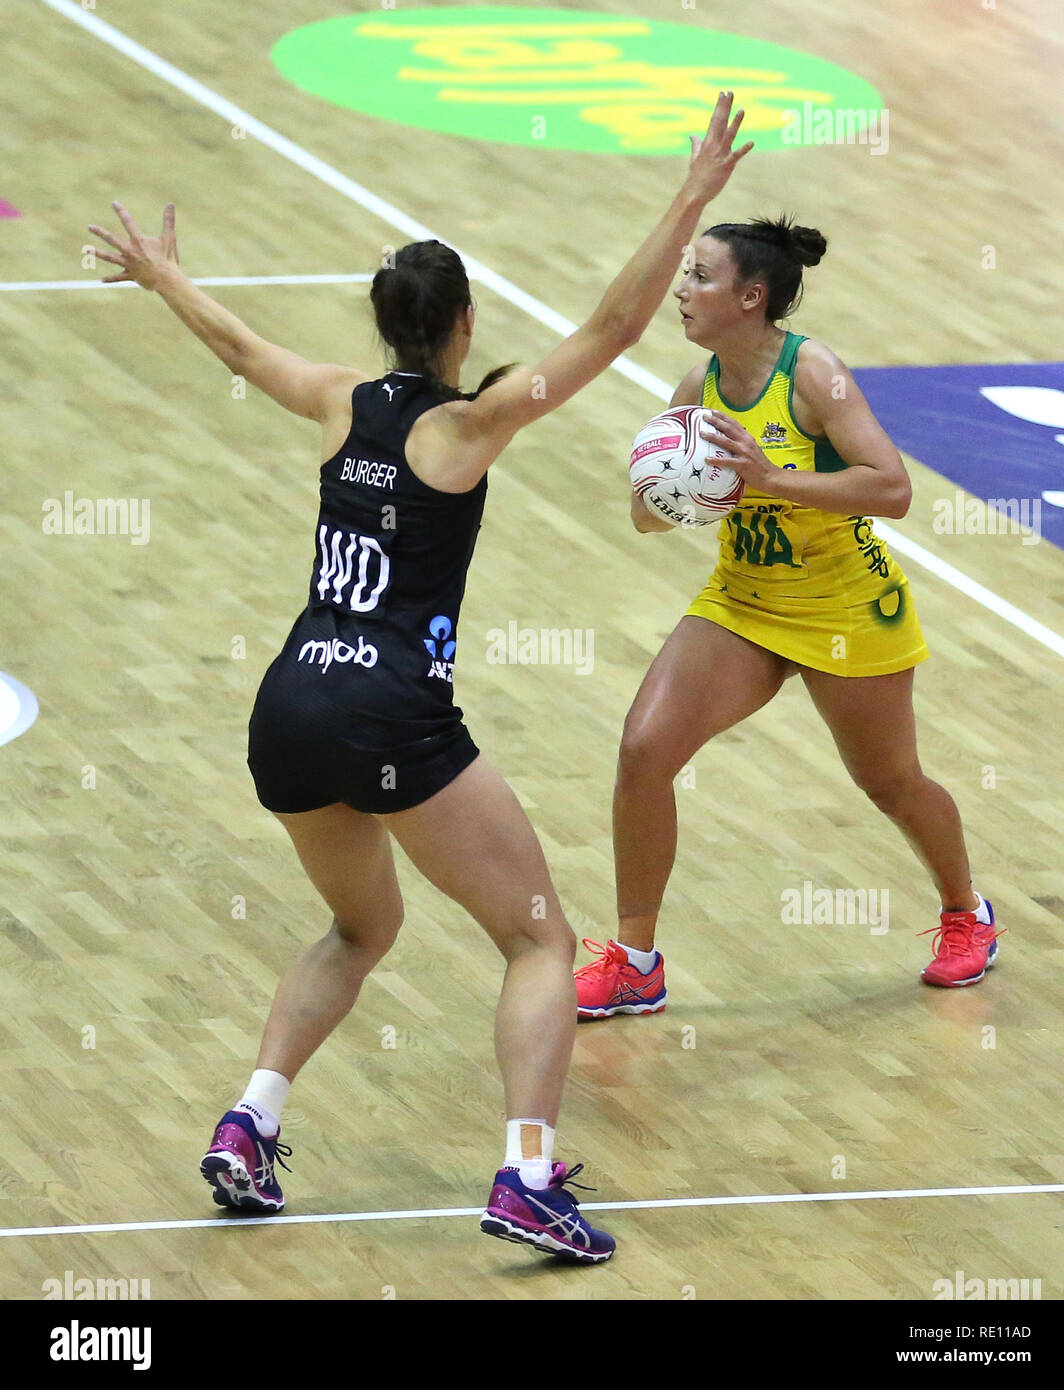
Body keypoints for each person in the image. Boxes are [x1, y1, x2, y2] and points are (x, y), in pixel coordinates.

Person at [86, 92, 753, 1263]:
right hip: (388, 709)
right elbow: (606, 330)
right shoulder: (467, 426)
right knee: (540, 938)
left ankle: (252, 1120)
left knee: (359, 925)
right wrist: (689, 195)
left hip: (289, 701)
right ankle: (528, 1175)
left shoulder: (346, 399)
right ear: (462, 324)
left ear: (389, 324)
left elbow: (243, 349)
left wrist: (163, 278)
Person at [574, 215, 1002, 1021]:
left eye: (699, 276)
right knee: (642, 748)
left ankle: (965, 914)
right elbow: (645, 518)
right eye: (686, 274)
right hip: (742, 601)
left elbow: (892, 489)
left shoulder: (815, 375)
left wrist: (767, 481)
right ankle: (635, 961)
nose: (681, 290)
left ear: (751, 295)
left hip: (845, 608)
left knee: (889, 783)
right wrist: (673, 487)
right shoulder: (696, 390)